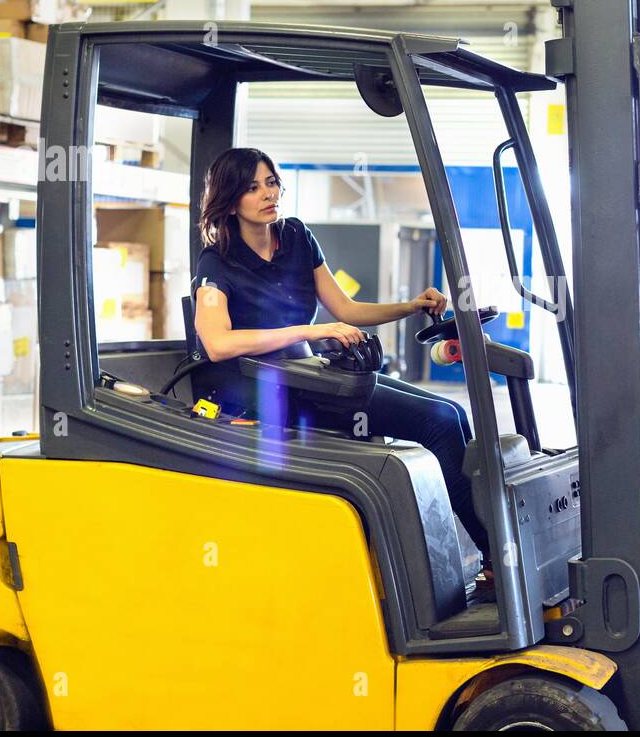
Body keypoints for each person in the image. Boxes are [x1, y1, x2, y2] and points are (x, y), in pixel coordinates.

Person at [191, 147, 484, 552]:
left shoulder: (295, 237)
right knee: (436, 421)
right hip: (266, 390)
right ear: (230, 199)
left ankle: (489, 546)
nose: (267, 194)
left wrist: (411, 306)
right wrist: (303, 332)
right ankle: (493, 554)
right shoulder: (216, 263)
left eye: (272, 182)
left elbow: (345, 308)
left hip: (309, 376)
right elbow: (217, 342)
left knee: (454, 412)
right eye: (252, 187)